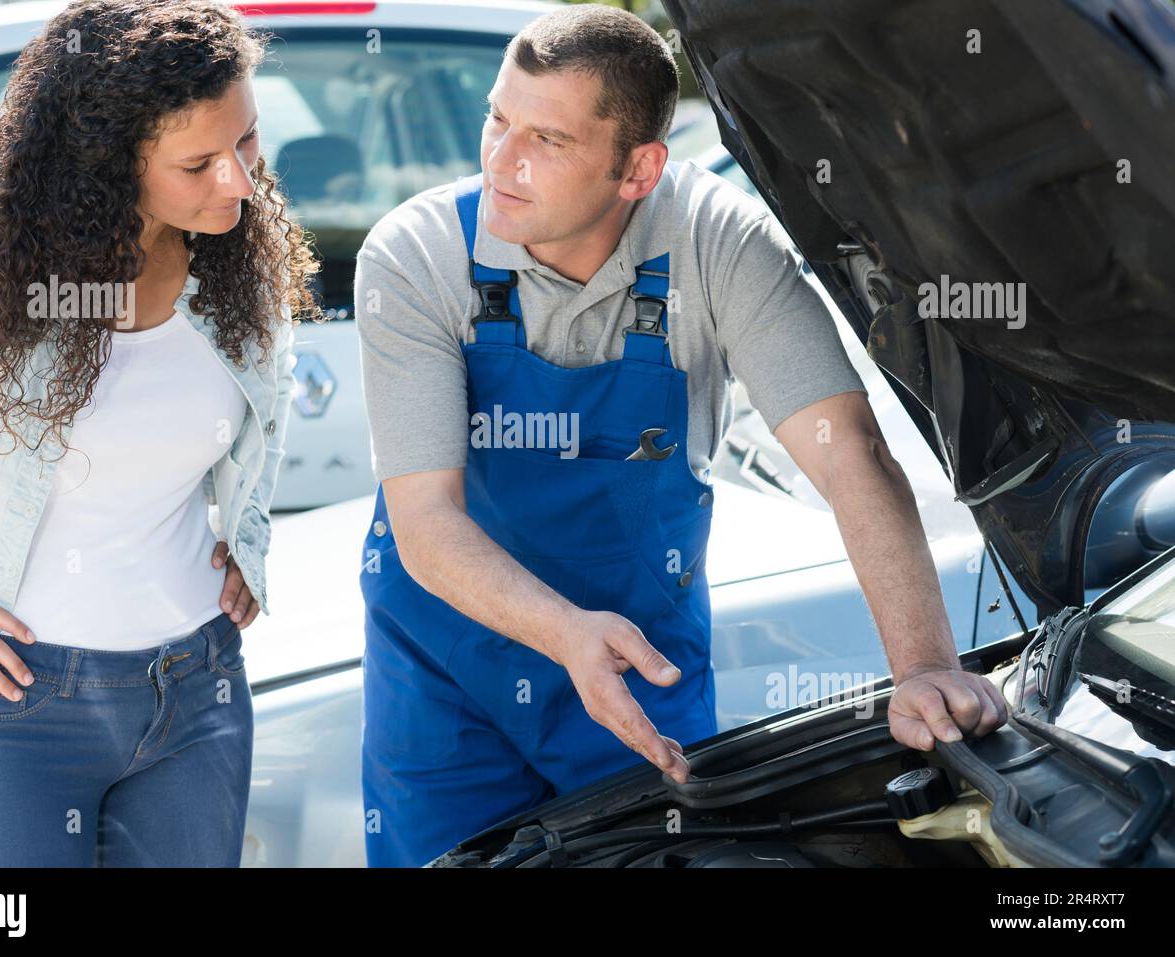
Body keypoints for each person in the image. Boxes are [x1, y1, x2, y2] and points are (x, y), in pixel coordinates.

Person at [353, 5, 1008, 867]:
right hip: (444, 689)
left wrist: (923, 666)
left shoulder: (719, 245)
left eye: (546, 139)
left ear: (639, 169)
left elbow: (847, 450)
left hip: (638, 670)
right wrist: (563, 633)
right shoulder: (417, 256)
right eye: (497, 118)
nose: (501, 161)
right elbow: (425, 522)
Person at [0, 0, 317, 867]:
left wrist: (243, 538)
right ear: (108, 162)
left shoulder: (237, 250)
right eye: (199, 162)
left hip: (197, 695)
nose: (238, 181)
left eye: (249, 143)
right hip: (8, 708)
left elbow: (251, 418)